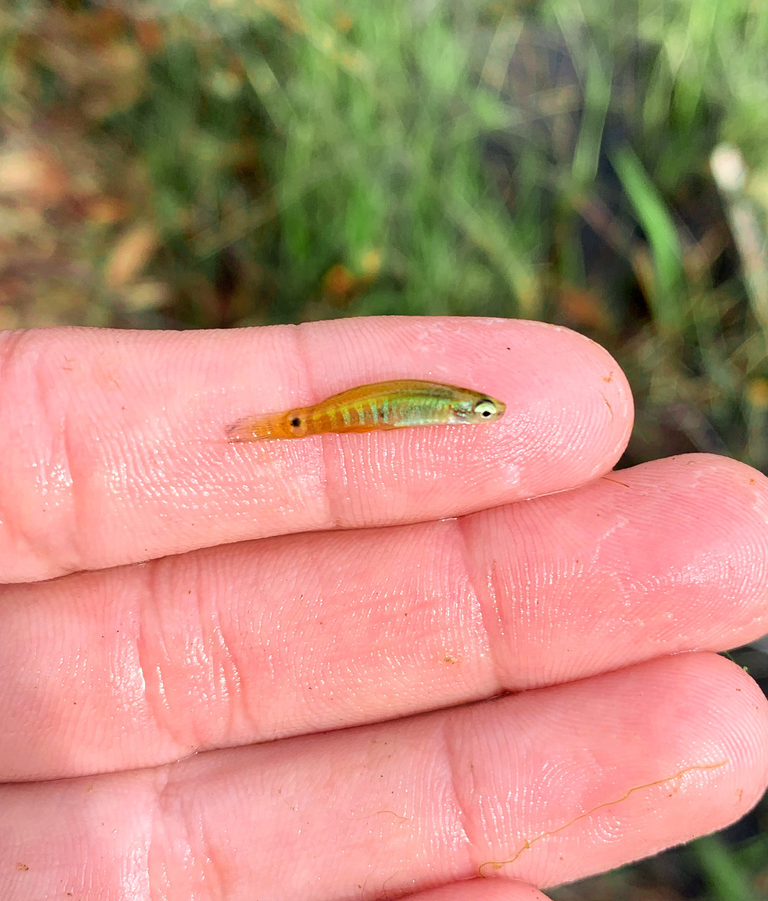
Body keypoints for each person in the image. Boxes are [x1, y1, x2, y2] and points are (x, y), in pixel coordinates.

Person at [1, 315, 766, 900]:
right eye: (480, 415)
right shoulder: (437, 407)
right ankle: (279, 429)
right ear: (464, 411)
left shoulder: (453, 409)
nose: (480, 420)